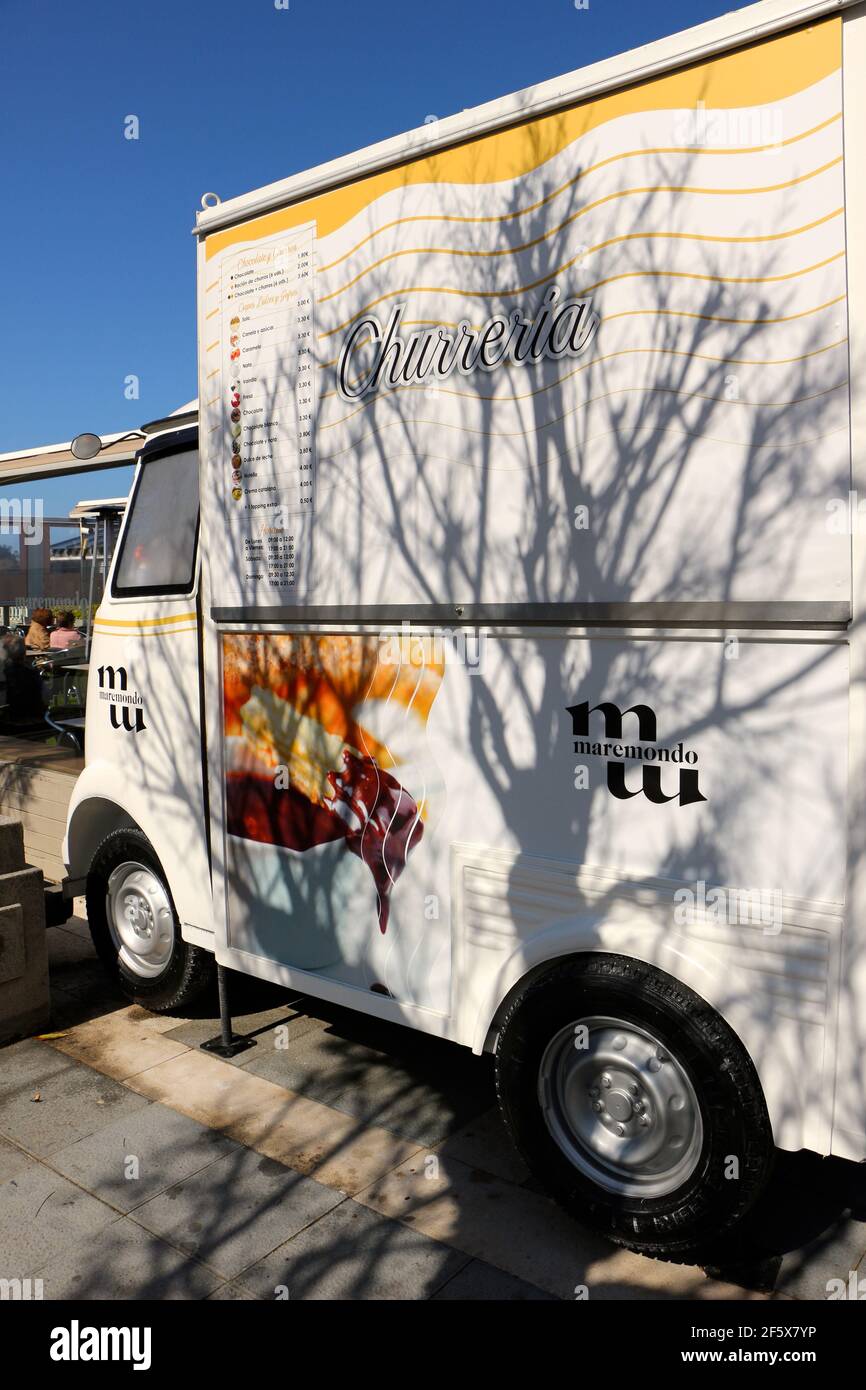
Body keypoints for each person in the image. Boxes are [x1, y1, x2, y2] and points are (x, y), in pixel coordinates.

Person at [1, 635, 45, 721]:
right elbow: (47, 697)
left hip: (8, 723)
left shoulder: (4, 675)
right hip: (36, 721)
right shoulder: (32, 673)